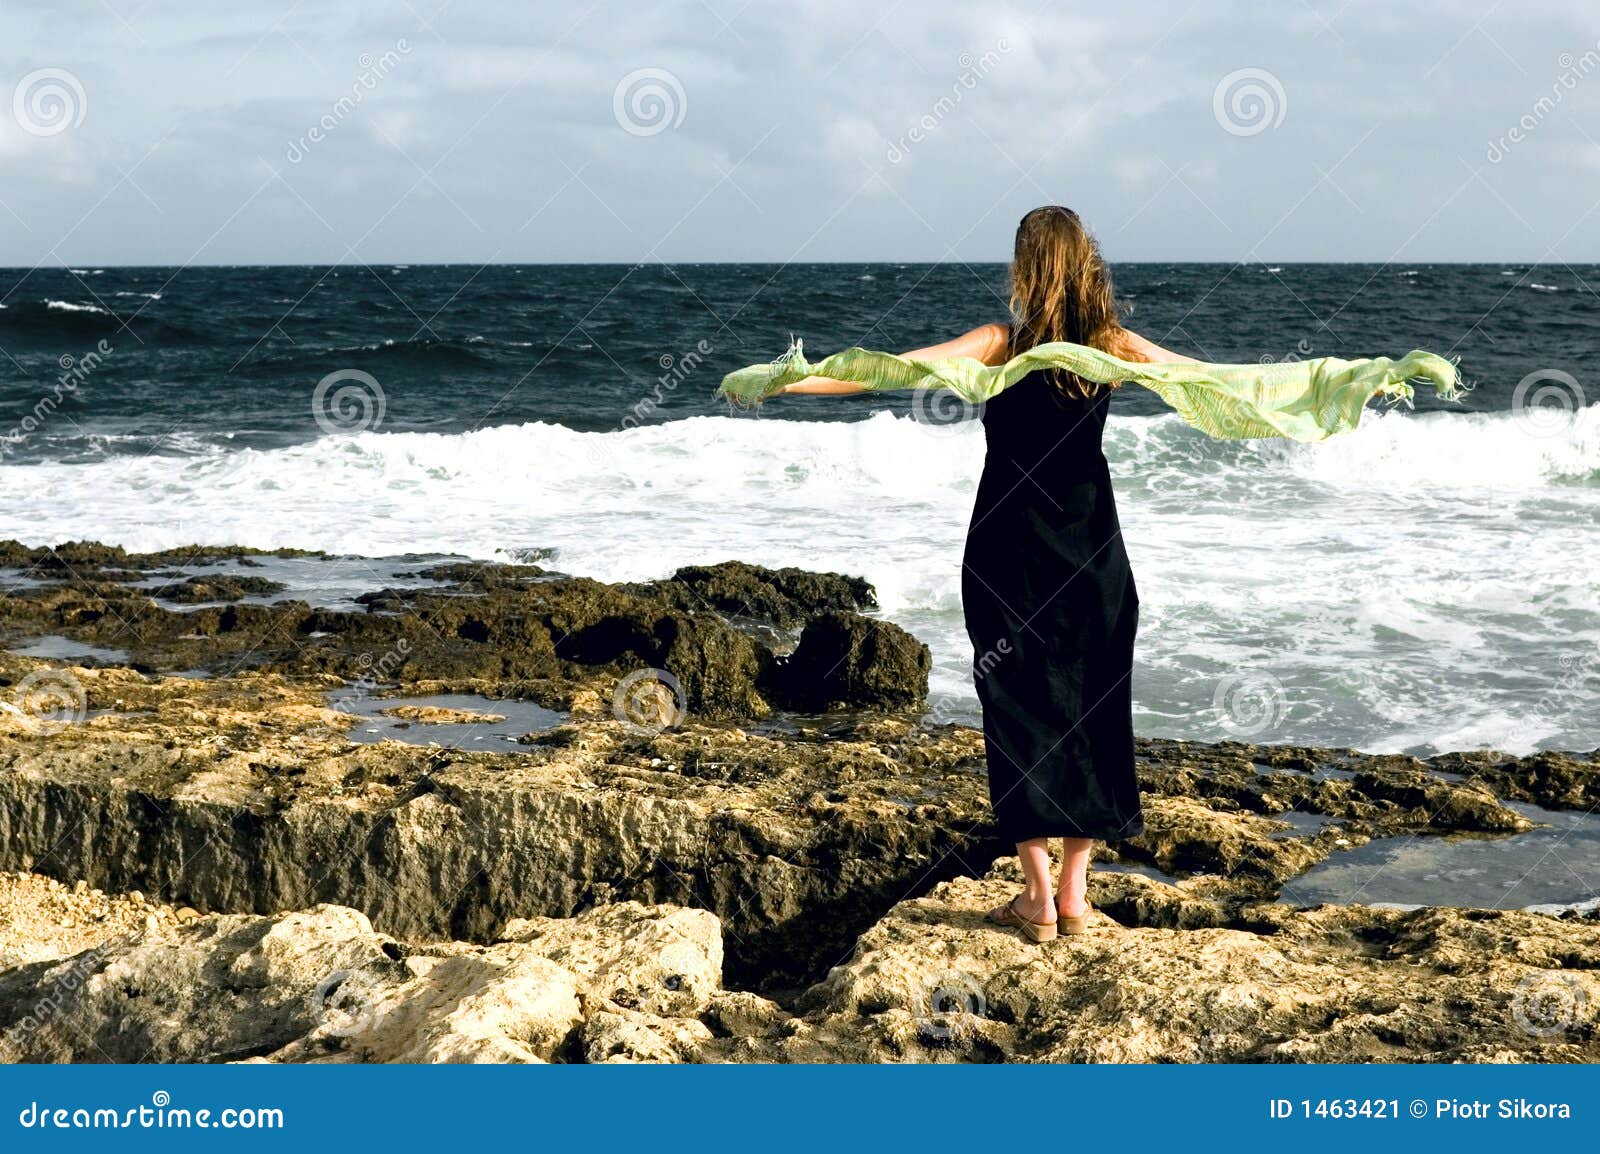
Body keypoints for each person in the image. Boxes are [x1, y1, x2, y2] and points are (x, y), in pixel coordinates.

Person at [781, 206, 1194, 942]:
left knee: (1017, 706)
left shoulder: (999, 345)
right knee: (1092, 706)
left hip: (1008, 549)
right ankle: (1073, 896)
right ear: (1087, 262)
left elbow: (890, 369)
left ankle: (1037, 895)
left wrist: (790, 382)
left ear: (1027, 269)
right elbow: (1211, 383)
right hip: (1092, 551)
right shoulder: (1109, 347)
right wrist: (1342, 386)